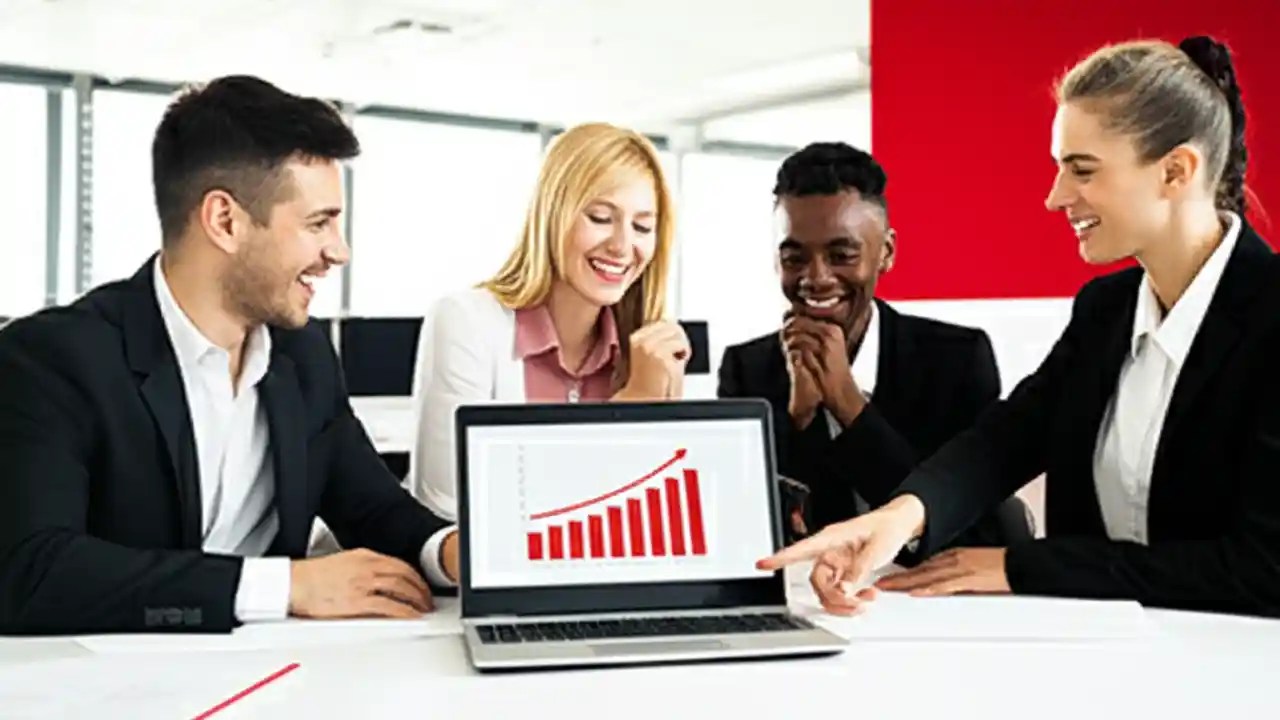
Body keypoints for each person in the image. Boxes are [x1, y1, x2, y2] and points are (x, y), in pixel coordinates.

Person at [758, 36, 1280, 618]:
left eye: (1082, 170)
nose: (1056, 197)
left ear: (1176, 170)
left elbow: (1262, 568)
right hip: (1102, 651)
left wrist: (1018, 566)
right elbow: (1008, 438)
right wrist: (894, 519)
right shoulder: (1106, 309)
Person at [0, 76, 451, 635]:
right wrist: (285, 585)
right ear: (225, 221)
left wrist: (452, 552)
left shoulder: (303, 354)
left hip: (274, 676)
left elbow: (373, 507)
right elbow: (33, 573)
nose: (339, 251)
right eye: (319, 223)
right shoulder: (53, 359)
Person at [408, 122, 689, 588]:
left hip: (610, 594)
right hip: (483, 601)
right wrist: (632, 409)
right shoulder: (466, 321)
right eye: (600, 217)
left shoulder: (648, 348)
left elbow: (652, 526)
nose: (623, 246)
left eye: (642, 226)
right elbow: (448, 514)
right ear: (553, 214)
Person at [718, 142, 1032, 548]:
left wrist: (848, 404)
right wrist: (798, 420)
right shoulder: (748, 368)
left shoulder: (956, 360)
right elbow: (745, 532)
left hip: (929, 598)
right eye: (795, 258)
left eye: (841, 255)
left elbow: (971, 529)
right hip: (808, 597)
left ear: (886, 253)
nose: (816, 277)